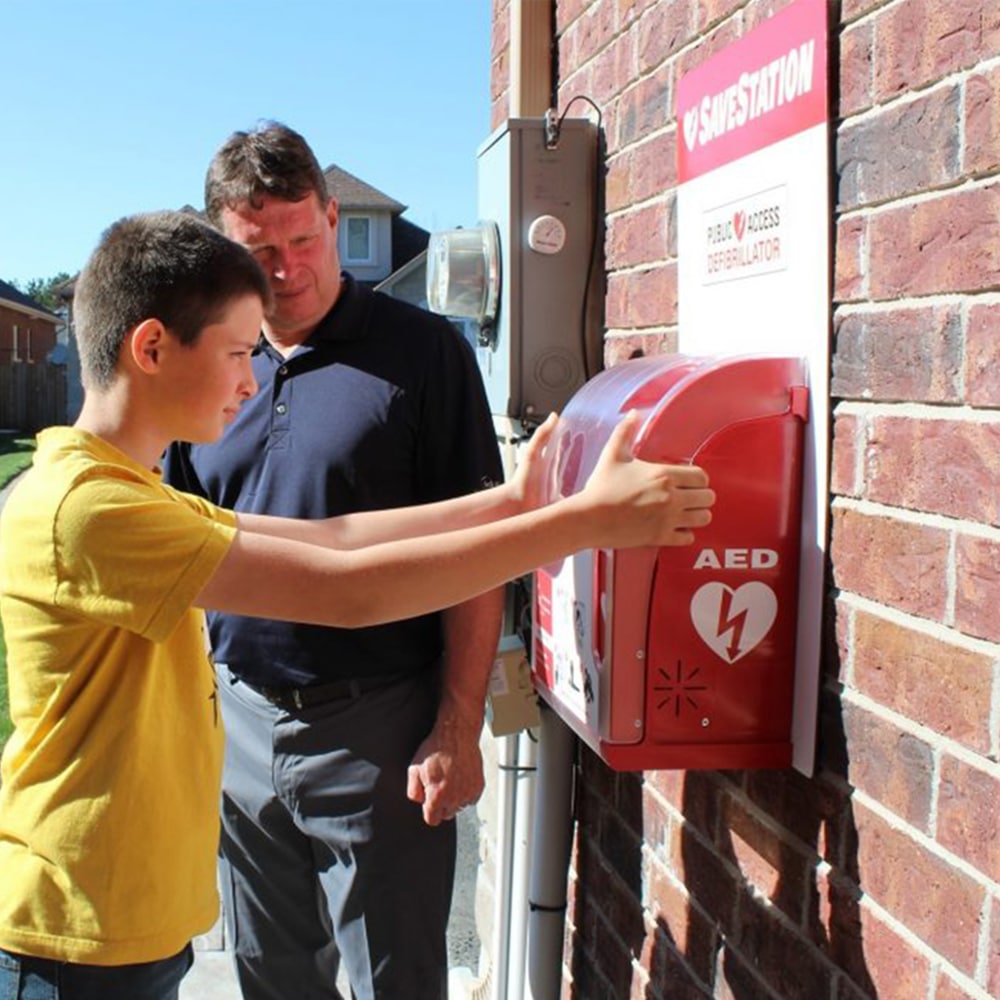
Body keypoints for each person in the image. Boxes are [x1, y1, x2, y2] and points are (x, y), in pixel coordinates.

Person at [0, 209, 713, 1000]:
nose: (249, 378)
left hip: (117, 925)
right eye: (238, 352)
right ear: (154, 348)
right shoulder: (90, 511)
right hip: (71, 939)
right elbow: (347, 592)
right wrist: (585, 523)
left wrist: (511, 504)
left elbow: (335, 539)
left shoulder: (127, 492)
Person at [161, 120, 493, 1000]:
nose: (286, 268)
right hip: (238, 722)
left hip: (380, 731)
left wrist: (458, 723)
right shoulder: (206, 369)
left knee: (395, 984)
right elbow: (175, 542)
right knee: (270, 981)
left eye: (304, 238)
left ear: (334, 216)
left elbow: (478, 554)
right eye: (257, 250)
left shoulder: (424, 355)